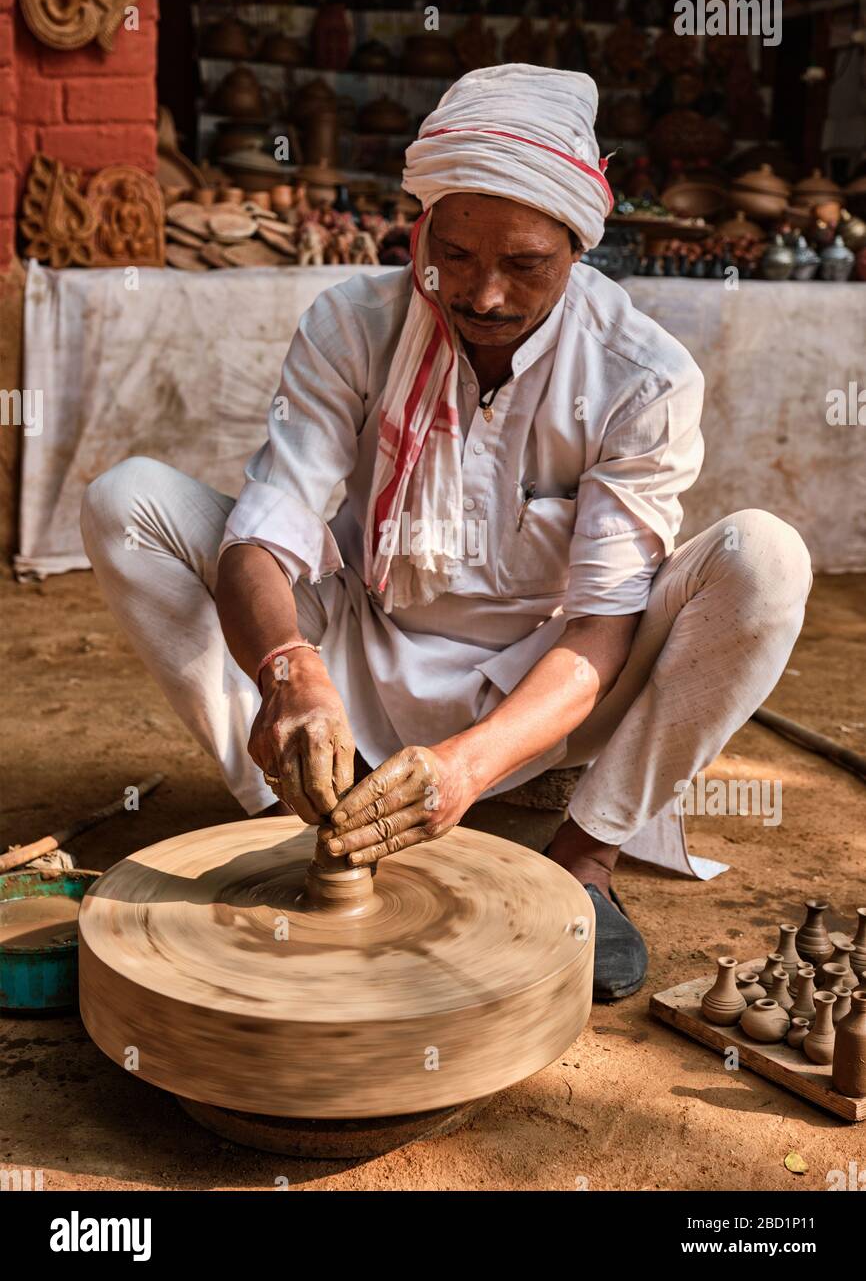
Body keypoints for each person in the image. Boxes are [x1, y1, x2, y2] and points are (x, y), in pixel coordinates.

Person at [81, 65, 812, 1001]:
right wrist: (288, 670)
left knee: (766, 559)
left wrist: (465, 768)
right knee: (127, 499)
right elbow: (267, 532)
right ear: (420, 224)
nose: (487, 295)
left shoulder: (643, 376)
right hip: (362, 649)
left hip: (556, 685)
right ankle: (288, 809)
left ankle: (588, 857)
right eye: (455, 254)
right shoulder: (354, 325)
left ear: (579, 248)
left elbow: (600, 623)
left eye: (527, 265)